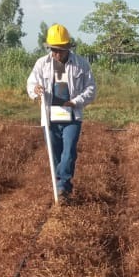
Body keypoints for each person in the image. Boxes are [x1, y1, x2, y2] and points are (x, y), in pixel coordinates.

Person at [26, 24, 96, 202]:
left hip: (72, 116)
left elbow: (91, 89)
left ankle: (62, 186)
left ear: (68, 47)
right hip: (50, 116)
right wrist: (36, 89)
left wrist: (75, 101)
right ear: (50, 48)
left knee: (69, 151)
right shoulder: (42, 64)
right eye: (54, 50)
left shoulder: (81, 64)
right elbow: (31, 84)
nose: (57, 54)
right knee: (55, 153)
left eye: (61, 50)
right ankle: (63, 187)